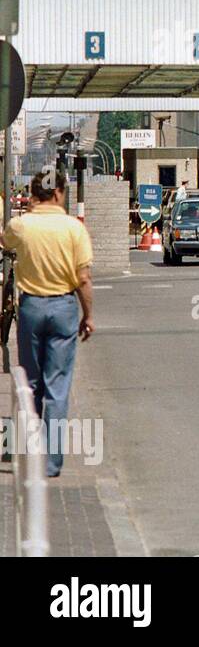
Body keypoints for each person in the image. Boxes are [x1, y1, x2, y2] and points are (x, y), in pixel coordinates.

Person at [0, 169, 95, 477]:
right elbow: (83, 279)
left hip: (31, 307)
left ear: (35, 194)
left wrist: (28, 211)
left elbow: (5, 241)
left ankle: (27, 449)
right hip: (63, 307)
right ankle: (51, 463)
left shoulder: (22, 225)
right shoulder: (74, 229)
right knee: (57, 385)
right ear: (58, 193)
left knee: (30, 382)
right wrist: (88, 316)